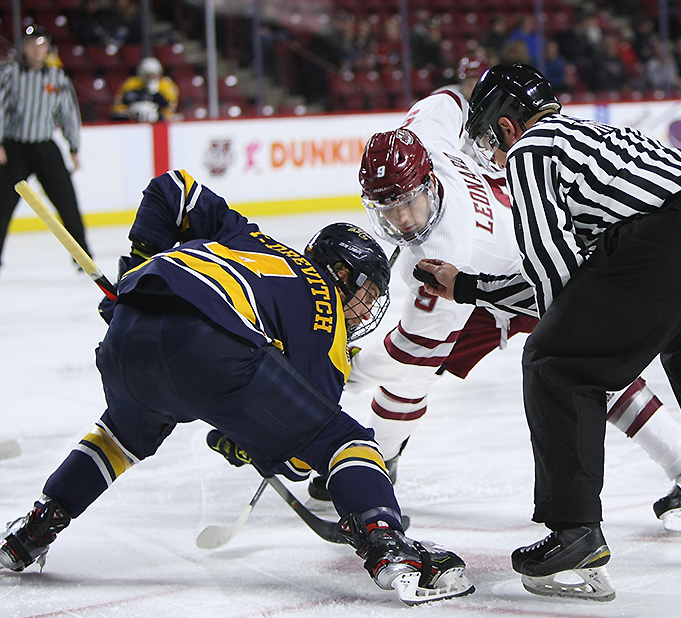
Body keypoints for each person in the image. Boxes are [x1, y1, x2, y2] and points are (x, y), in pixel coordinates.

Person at [0, 169, 474, 606]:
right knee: (346, 441)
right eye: (366, 293)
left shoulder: (249, 237)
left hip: (129, 330)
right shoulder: (326, 311)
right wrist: (246, 441)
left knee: (118, 438)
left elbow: (173, 189)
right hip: (213, 348)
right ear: (343, 275)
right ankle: (389, 546)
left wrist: (135, 270)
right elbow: (299, 454)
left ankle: (34, 530)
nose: (363, 310)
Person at [418, 63, 681, 600]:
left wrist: (476, 291)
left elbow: (555, 284)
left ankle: (573, 535)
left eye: (486, 140)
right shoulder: (595, 135)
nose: (492, 157)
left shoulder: (530, 150)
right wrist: (472, 288)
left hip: (680, 237)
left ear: (504, 126)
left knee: (556, 364)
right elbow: (587, 278)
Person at [302, 82, 681, 535]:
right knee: (424, 371)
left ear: (427, 184)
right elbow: (449, 98)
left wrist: (334, 369)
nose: (401, 221)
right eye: (387, 210)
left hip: (535, 275)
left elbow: (409, 356)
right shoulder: (428, 140)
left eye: (408, 204)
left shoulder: (445, 253)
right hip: (492, 273)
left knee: (586, 367)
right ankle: (375, 460)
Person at [0, 25, 91, 267]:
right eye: (31, 44)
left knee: (67, 202)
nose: (37, 50)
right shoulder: (10, 74)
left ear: (48, 48)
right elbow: (0, 108)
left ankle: (83, 256)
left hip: (45, 147)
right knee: (2, 205)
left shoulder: (57, 78)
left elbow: (69, 113)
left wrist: (74, 147)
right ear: (23, 48)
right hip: (14, 148)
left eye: (41, 45)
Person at [111, 56, 179, 123]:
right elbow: (118, 107)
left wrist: (157, 113)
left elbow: (170, 109)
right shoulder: (131, 84)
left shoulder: (167, 86)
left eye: (154, 75)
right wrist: (131, 111)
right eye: (148, 75)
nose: (151, 78)